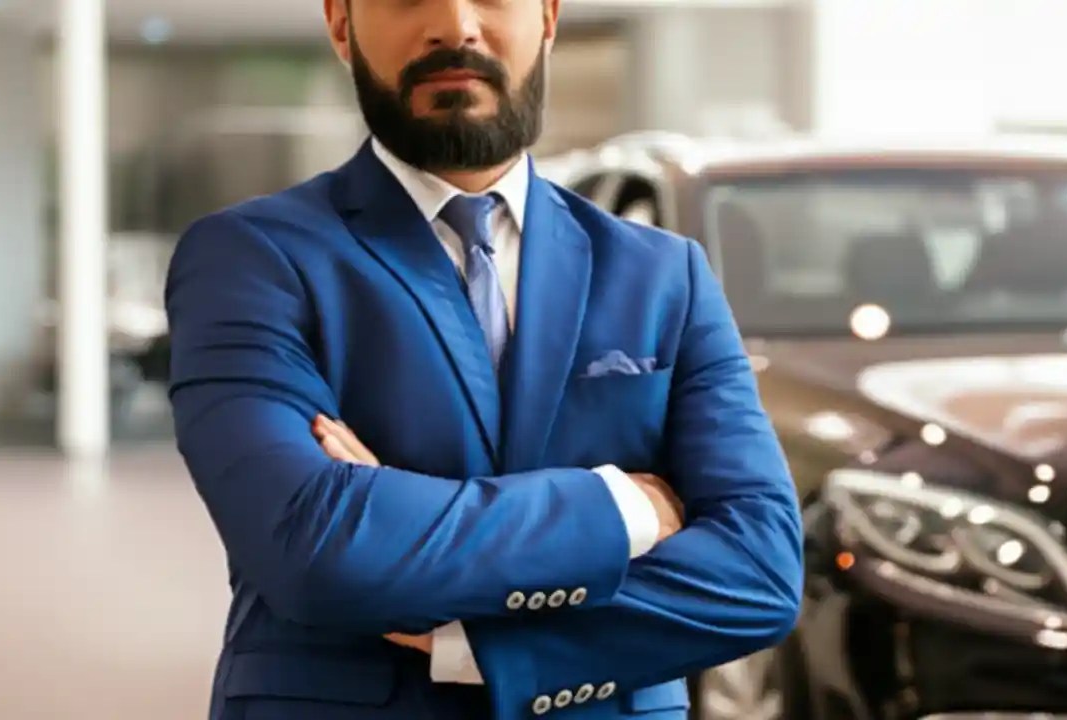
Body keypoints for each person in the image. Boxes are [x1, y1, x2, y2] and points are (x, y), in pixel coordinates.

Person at [163, 0, 803, 718]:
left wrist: (471, 640)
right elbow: (311, 545)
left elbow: (760, 574)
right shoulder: (251, 259)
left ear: (549, 16)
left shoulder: (664, 276)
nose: (455, 26)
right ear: (341, 22)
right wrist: (624, 508)